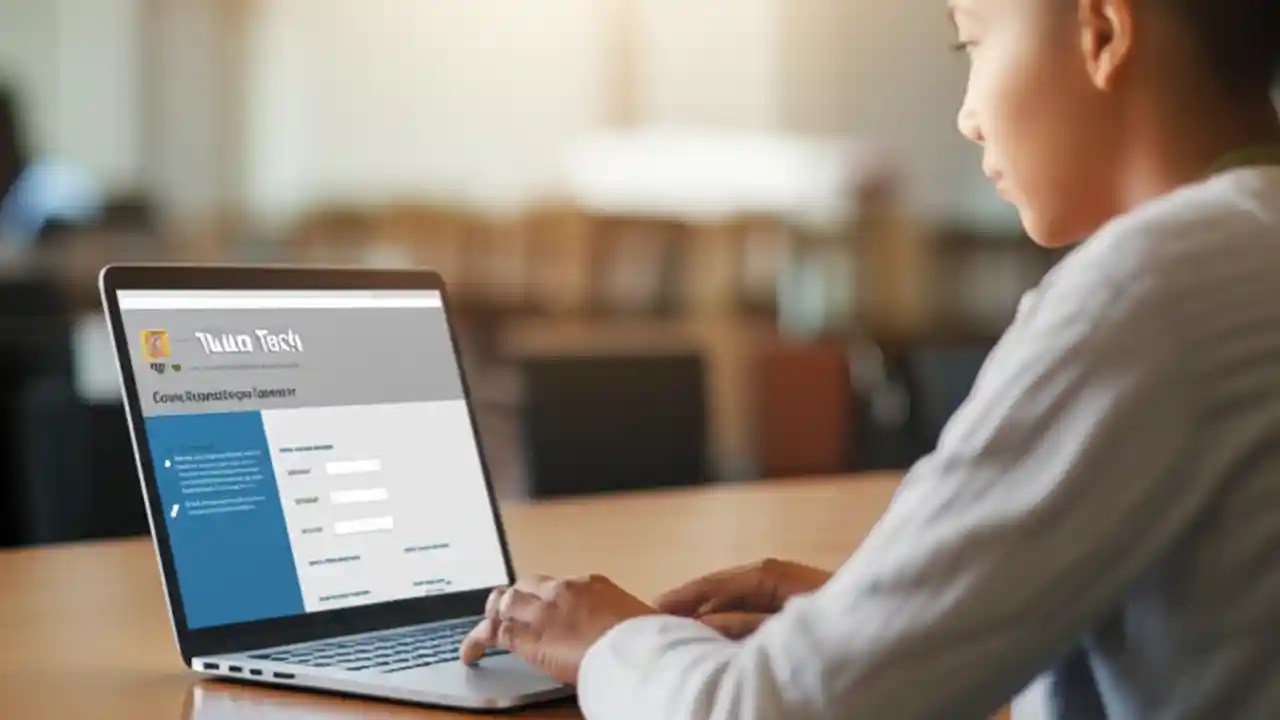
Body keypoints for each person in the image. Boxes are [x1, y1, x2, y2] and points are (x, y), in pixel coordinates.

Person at [460, 0, 1280, 716]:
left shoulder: (1150, 292)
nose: (968, 117)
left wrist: (611, 641)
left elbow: (763, 714)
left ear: (1101, 31)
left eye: (972, 40)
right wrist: (902, 630)